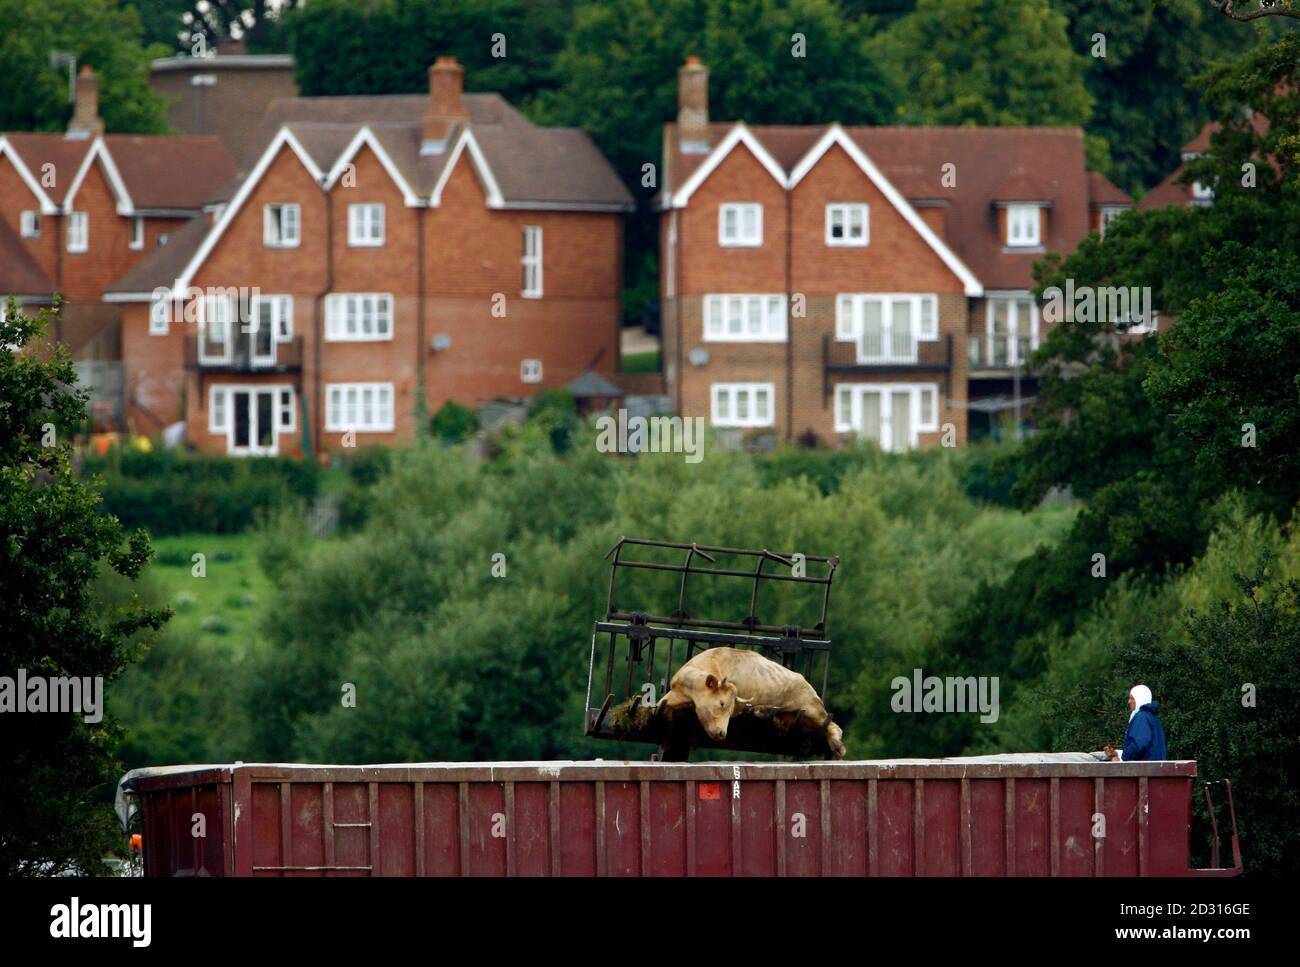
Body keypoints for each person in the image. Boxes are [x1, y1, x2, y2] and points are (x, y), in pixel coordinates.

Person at [1104, 684, 1167, 761]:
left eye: (1132, 698)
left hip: (1145, 769)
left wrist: (1125, 757)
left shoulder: (1142, 717)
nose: (1129, 702)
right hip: (1156, 768)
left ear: (1139, 699)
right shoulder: (1153, 718)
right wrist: (1118, 754)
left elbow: (1140, 744)